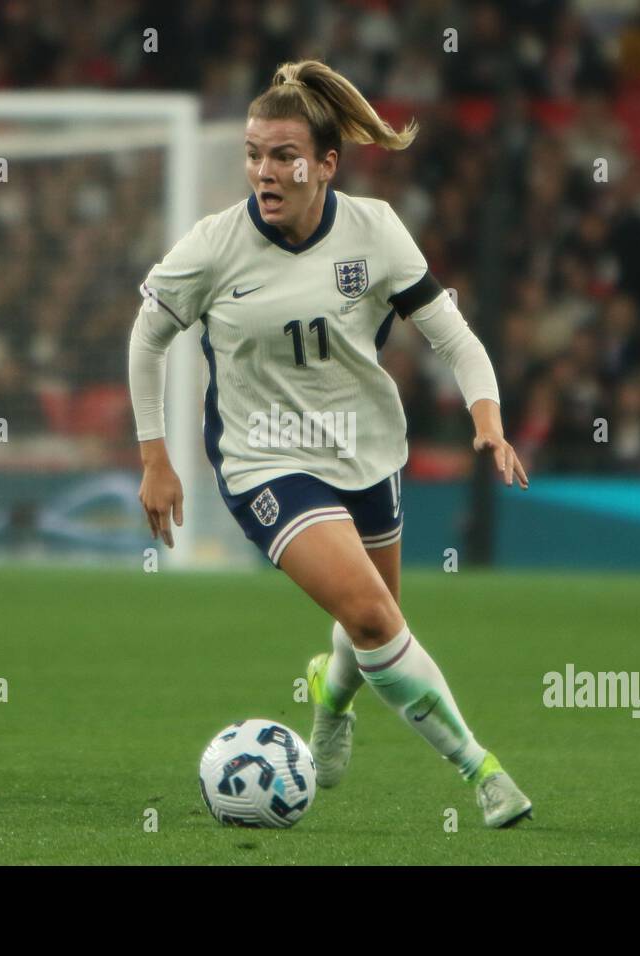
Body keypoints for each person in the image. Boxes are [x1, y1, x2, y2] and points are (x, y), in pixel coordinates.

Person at [128, 60, 533, 828]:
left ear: (325, 164)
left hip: (365, 452)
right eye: (253, 154)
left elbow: (455, 336)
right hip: (264, 462)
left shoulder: (374, 231)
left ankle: (330, 695)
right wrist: (155, 456)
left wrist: (487, 418)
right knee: (378, 621)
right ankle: (481, 770)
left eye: (283, 156)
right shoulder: (214, 246)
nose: (264, 172)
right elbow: (146, 341)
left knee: (370, 620)